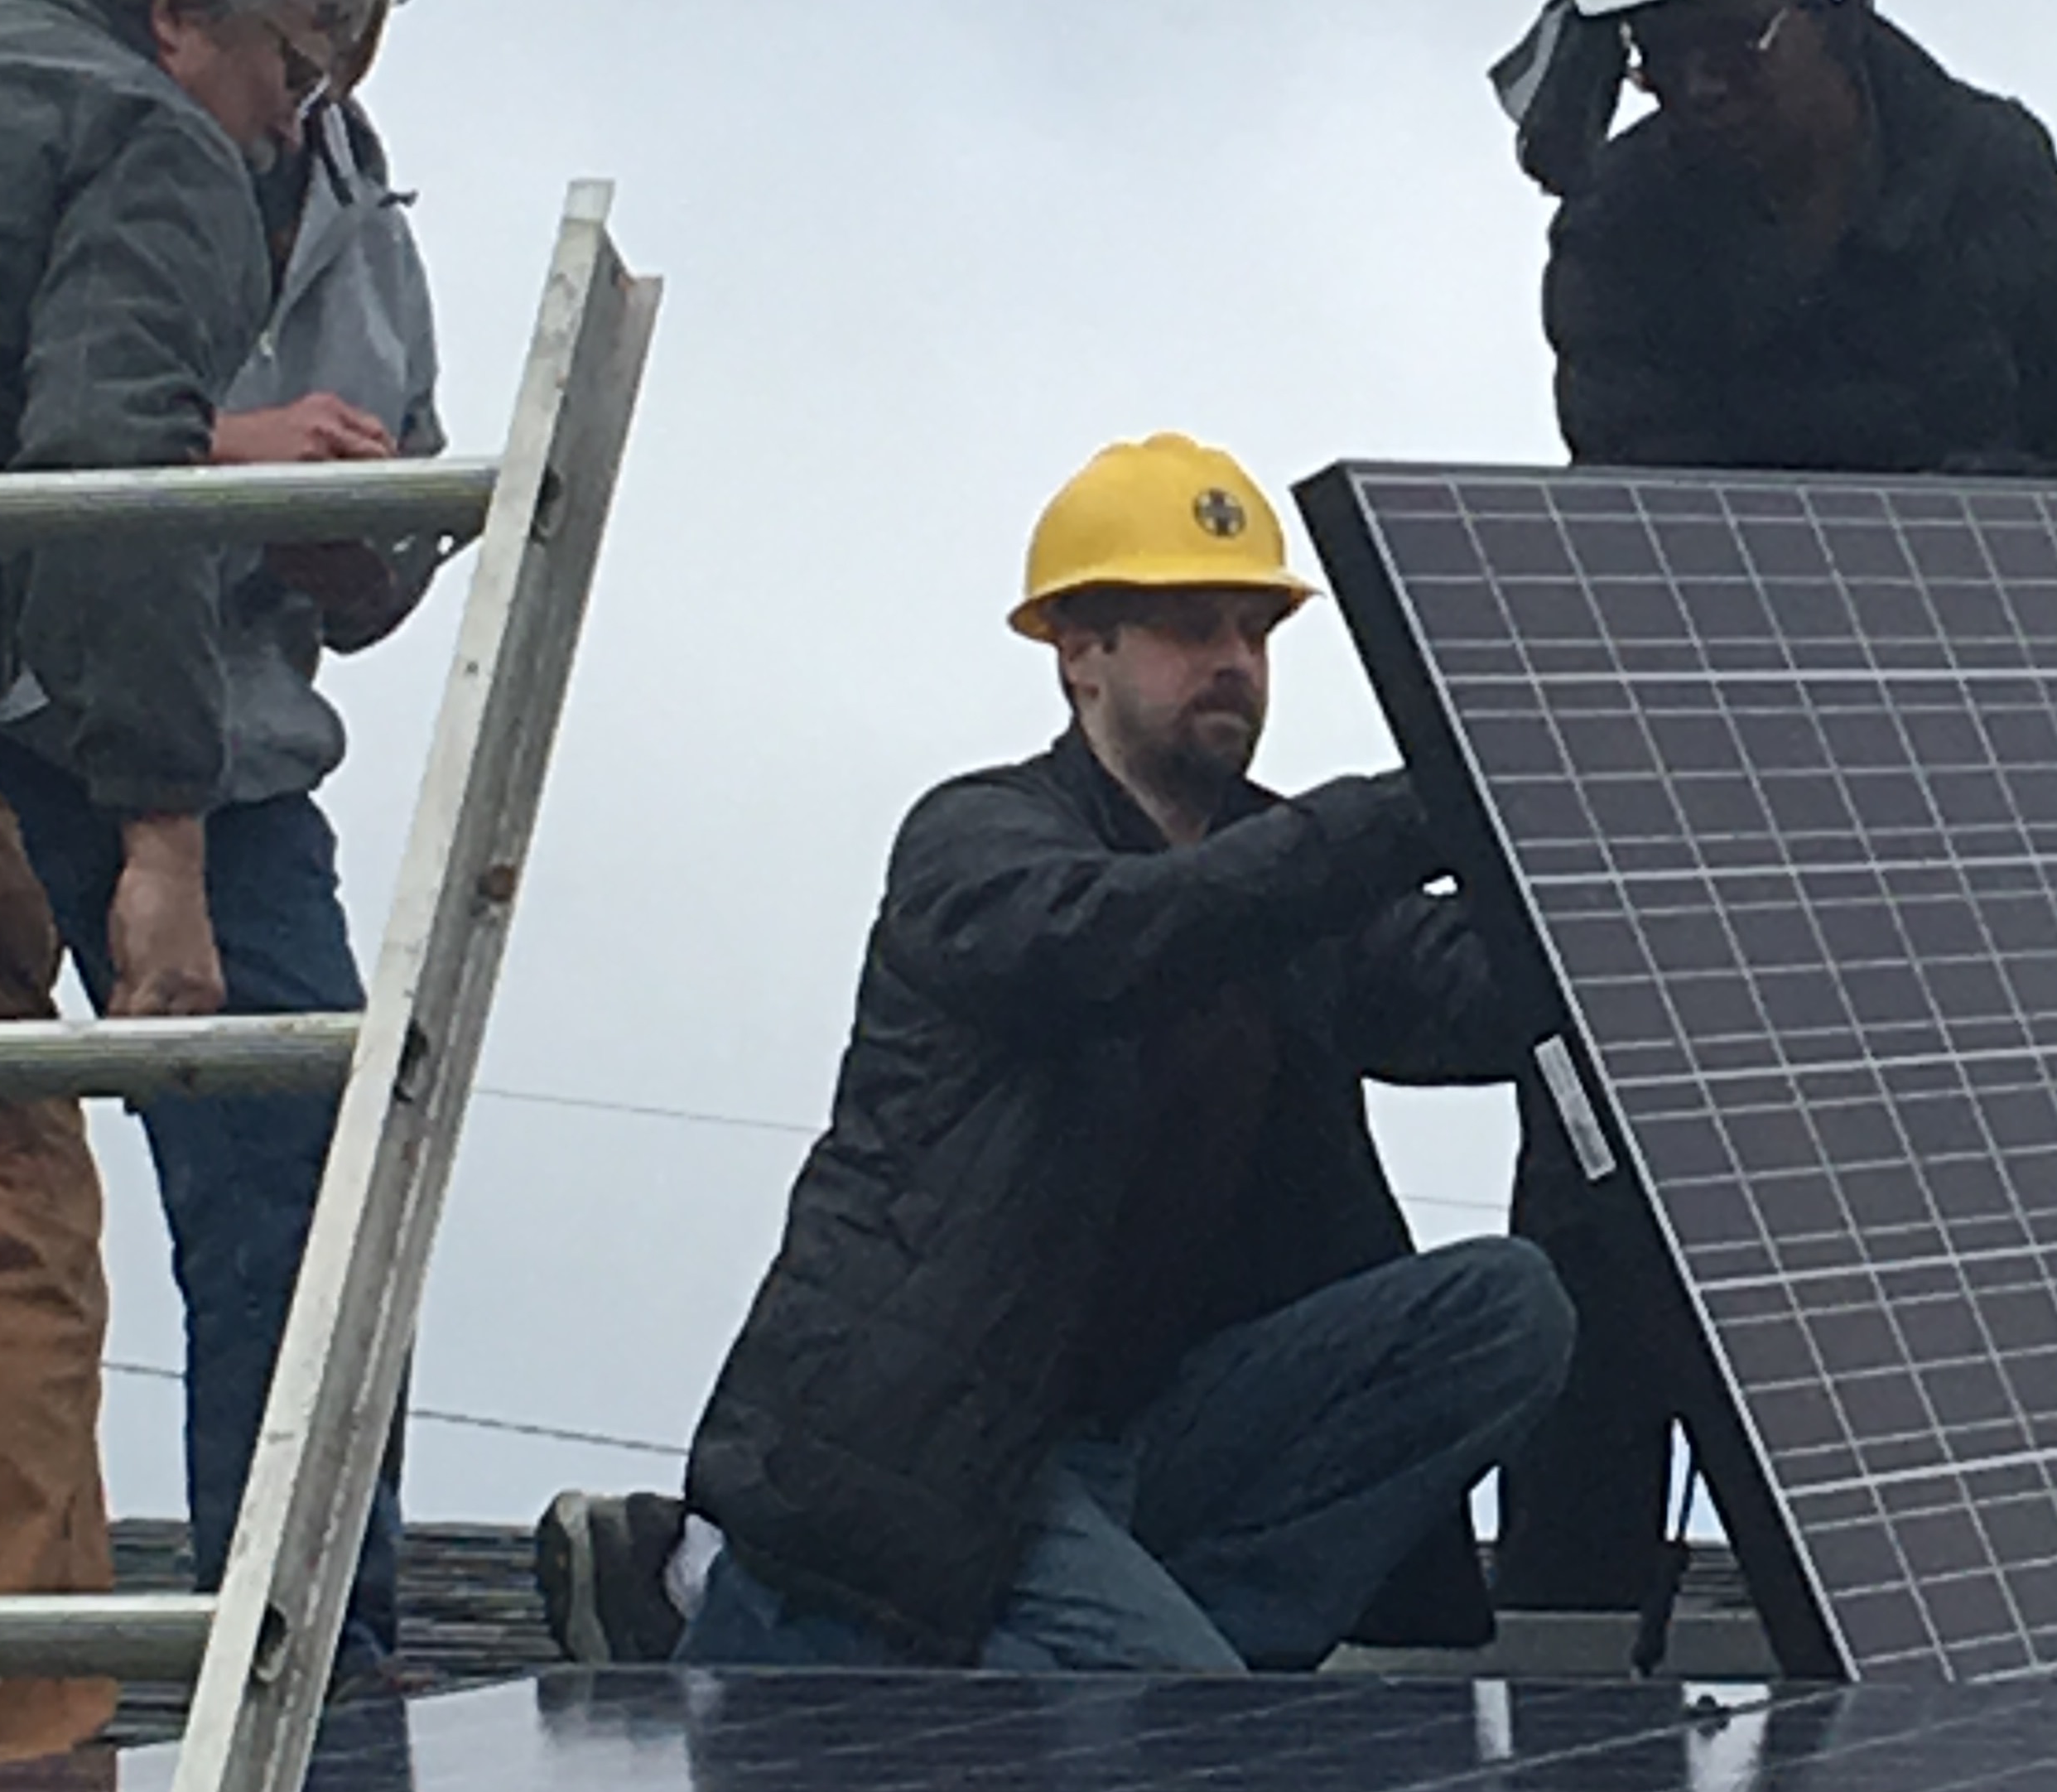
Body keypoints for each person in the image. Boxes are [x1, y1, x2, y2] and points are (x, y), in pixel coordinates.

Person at [1488, 0, 2057, 1614]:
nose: (1702, 88)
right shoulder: (1620, 237)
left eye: (1733, 40)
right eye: (1661, 56)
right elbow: (1663, 542)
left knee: (1987, 1259)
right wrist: (1972, 522)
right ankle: (1569, 1665)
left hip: (1988, 821)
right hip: (1724, 811)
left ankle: (2017, 1633)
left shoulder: (1993, 169)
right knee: (1603, 1207)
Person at [537, 435, 1574, 1674]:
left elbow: (1467, 991)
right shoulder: (976, 842)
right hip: (957, 1449)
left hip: (1159, 1432)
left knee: (1503, 1307)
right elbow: (1119, 938)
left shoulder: (1293, 880)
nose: (1235, 662)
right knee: (1181, 1734)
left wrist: (1642, 868)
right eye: (1190, 627)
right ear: (1080, 653)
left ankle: (1184, 1669)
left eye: (1255, 632)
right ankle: (734, 1596)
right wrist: (1423, 803)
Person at [0, 0, 464, 1694]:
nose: (355, 5)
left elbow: (398, 537)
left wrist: (357, 543)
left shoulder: (366, 221)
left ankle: (308, 1668)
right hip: (6, 724)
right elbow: (59, 428)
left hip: (237, 756)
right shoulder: (73, 122)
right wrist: (225, 451)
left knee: (313, 1202)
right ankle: (12, 1690)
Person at [0, 0, 367, 1763]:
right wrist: (166, 841)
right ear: (181, 10)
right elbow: (108, 475)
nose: (296, 124)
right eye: (291, 68)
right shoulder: (148, 139)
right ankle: (0, 1768)